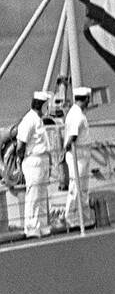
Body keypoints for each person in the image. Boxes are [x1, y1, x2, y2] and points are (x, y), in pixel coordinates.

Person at [15, 90, 52, 238]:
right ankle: (31, 227)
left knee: (42, 194)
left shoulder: (38, 119)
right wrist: (20, 160)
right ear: (41, 106)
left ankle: (42, 226)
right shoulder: (29, 120)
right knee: (34, 195)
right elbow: (20, 144)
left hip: (42, 159)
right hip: (33, 160)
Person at [62, 86, 91, 228]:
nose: (88, 102)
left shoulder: (77, 112)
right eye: (88, 100)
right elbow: (72, 136)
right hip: (77, 155)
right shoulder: (76, 115)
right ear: (85, 99)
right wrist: (66, 149)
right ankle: (70, 217)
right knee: (76, 187)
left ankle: (84, 217)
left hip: (82, 154)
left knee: (83, 188)